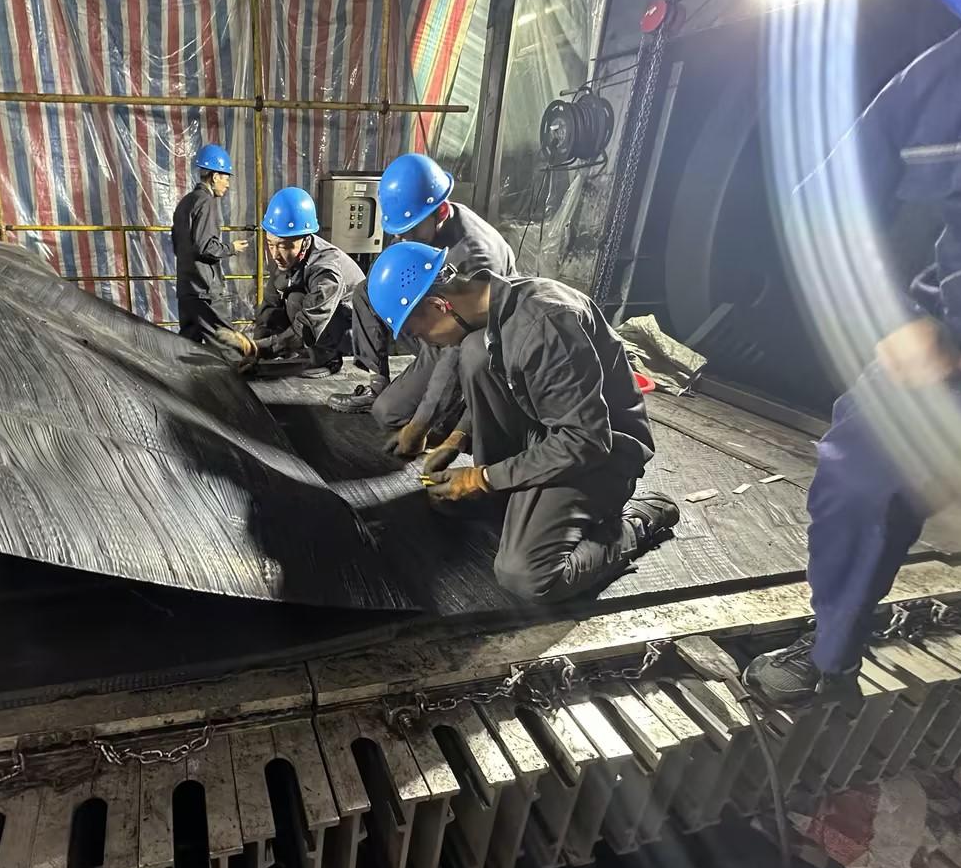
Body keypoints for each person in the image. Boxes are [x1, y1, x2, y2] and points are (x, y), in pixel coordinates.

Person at [744, 0, 961, 711]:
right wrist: (895, 323)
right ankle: (829, 660)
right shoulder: (939, 88)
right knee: (858, 478)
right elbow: (826, 207)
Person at [364, 240, 679, 604]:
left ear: (438, 305)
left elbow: (586, 441)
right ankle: (514, 500)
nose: (428, 345)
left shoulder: (545, 324)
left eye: (420, 334)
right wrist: (456, 438)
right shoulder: (493, 310)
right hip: (550, 432)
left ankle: (636, 522)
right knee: (474, 354)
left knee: (526, 576)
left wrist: (483, 478)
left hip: (602, 453)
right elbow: (509, 385)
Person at [328, 153, 517, 464]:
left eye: (409, 231)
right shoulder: (424, 219)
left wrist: (420, 426)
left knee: (389, 414)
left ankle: (459, 418)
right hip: (435, 317)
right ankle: (377, 383)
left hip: (465, 338)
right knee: (368, 290)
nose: (401, 239)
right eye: (398, 231)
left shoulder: (476, 257)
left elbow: (457, 347)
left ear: (440, 210)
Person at [209, 187, 365, 377]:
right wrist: (255, 353)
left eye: (284, 246)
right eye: (271, 244)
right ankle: (296, 350)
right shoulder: (284, 259)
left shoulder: (326, 270)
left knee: (296, 299)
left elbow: (309, 324)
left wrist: (262, 348)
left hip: (352, 331)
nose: (275, 254)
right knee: (285, 294)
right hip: (325, 321)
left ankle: (329, 359)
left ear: (305, 241)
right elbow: (270, 308)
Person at [173, 144, 249, 342]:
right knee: (229, 343)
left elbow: (177, 244)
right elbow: (204, 246)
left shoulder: (186, 202)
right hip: (204, 290)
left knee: (188, 344)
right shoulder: (206, 202)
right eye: (226, 178)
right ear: (215, 177)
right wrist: (232, 248)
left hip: (186, 289)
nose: (228, 184)